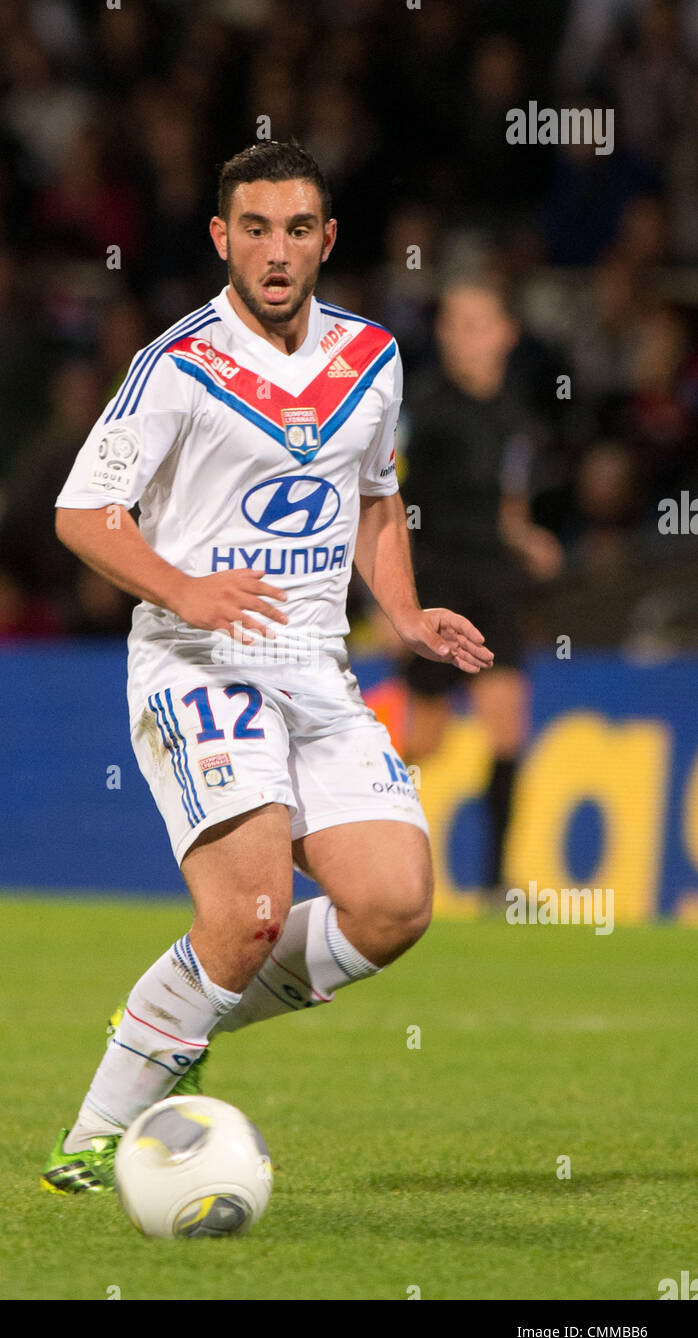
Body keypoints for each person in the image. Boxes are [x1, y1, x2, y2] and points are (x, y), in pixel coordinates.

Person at [42, 140, 492, 1194]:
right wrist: (180, 587)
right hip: (198, 663)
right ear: (220, 238)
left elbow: (374, 499)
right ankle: (94, 1131)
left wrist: (407, 610)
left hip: (315, 667)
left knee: (393, 904)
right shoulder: (176, 365)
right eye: (254, 228)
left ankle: (177, 1013)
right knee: (243, 917)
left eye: (297, 229)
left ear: (327, 238)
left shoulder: (371, 357)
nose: (276, 251)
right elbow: (81, 514)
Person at [397, 275, 563, 899]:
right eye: (451, 324)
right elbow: (390, 504)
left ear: (505, 334)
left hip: (493, 580)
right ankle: (354, 822)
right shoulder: (425, 410)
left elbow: (509, 507)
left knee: (507, 727)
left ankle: (495, 883)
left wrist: (529, 540)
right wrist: (399, 603)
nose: (458, 337)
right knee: (427, 739)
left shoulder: (516, 414)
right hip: (438, 581)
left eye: (474, 324)